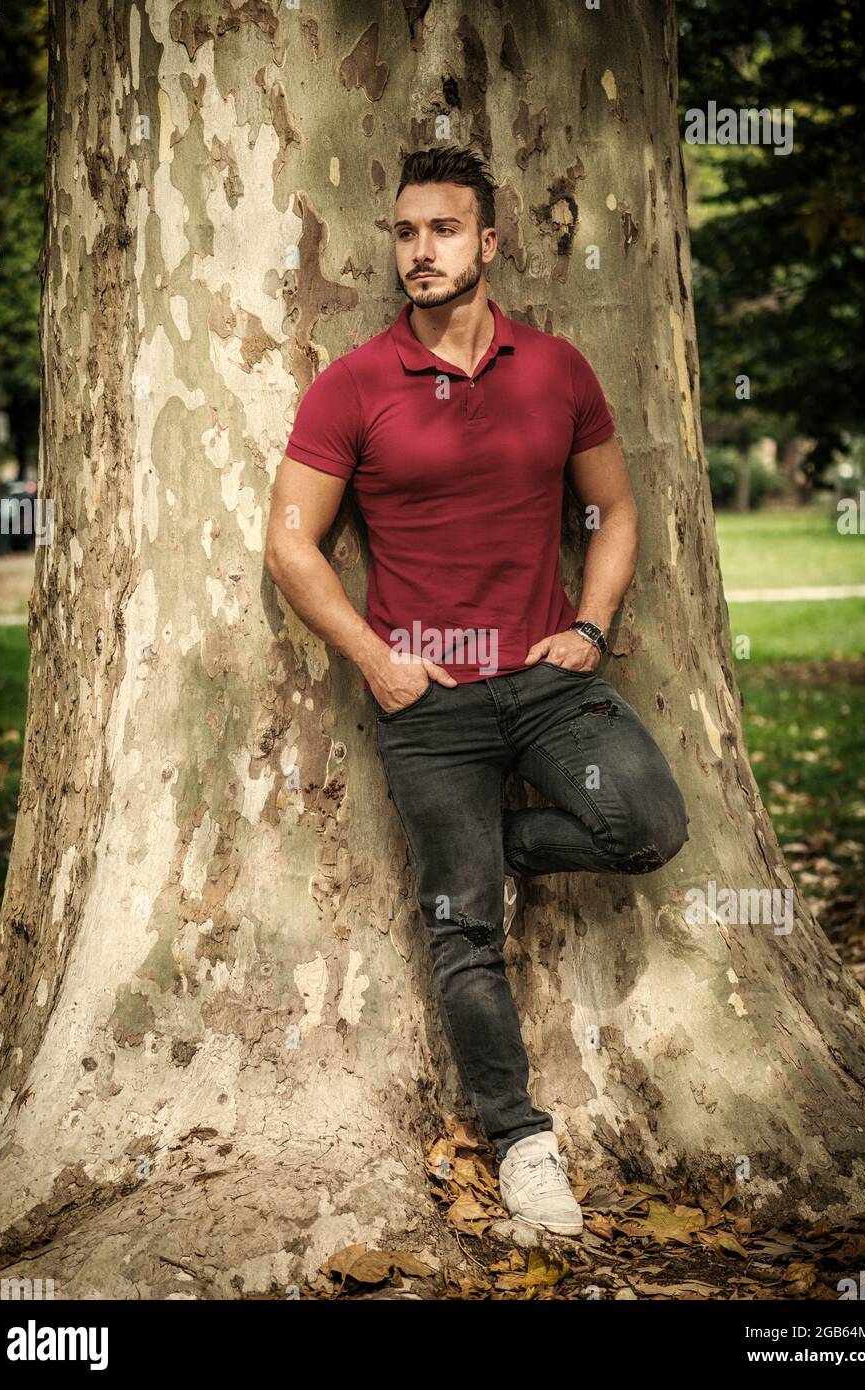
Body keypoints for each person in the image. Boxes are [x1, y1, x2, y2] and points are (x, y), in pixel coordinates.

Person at [266, 144, 688, 1236]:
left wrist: (592, 625)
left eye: (443, 230)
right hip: (430, 707)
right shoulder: (355, 383)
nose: (420, 251)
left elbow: (616, 510)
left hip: (549, 682)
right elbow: (290, 541)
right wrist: (376, 660)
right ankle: (522, 1141)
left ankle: (493, 852)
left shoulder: (556, 369)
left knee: (646, 822)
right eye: (405, 233)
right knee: (465, 933)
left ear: (488, 242)